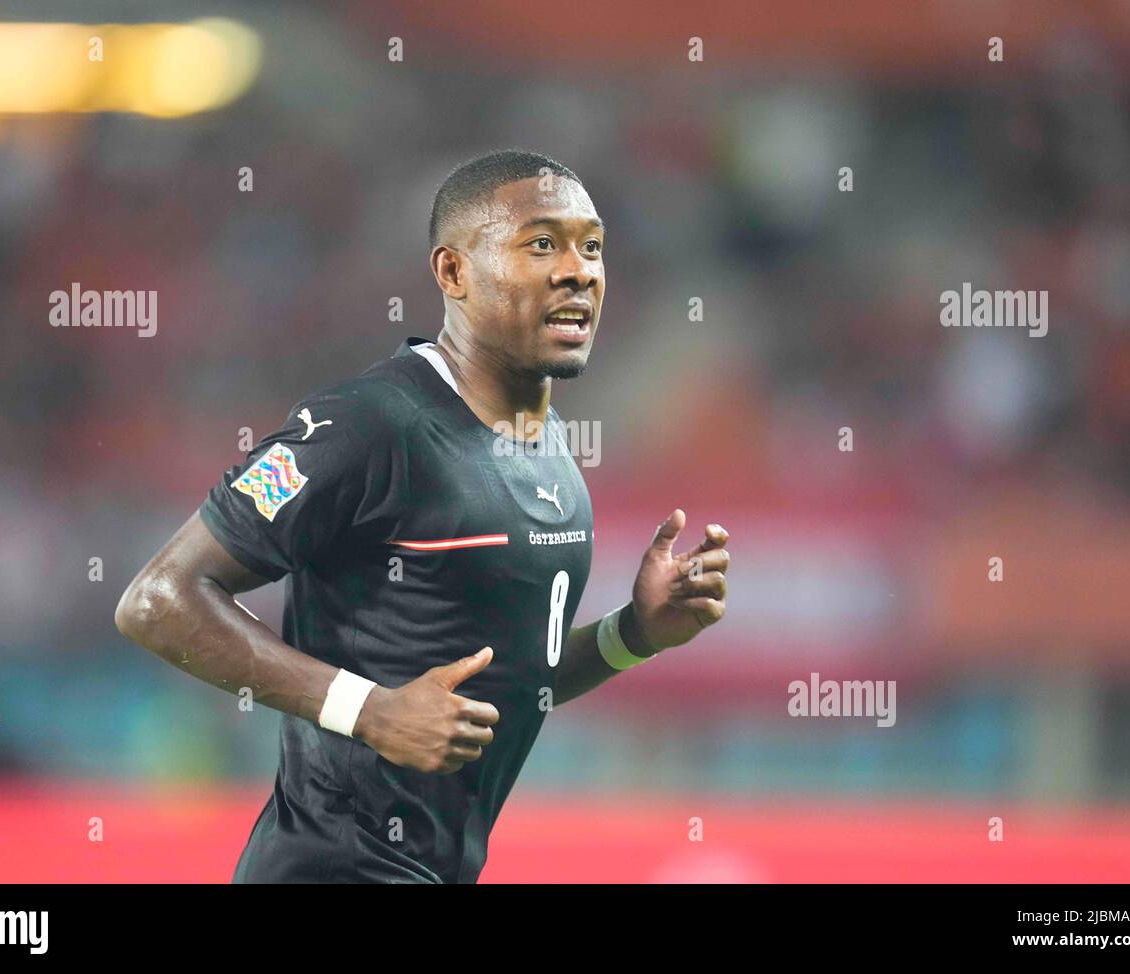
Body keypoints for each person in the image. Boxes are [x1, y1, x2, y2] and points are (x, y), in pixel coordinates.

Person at [114, 149, 731, 883]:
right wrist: (369, 711)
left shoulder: (548, 445)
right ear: (453, 271)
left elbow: (506, 687)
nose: (578, 272)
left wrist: (632, 635)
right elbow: (158, 600)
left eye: (591, 247)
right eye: (542, 244)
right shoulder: (366, 425)